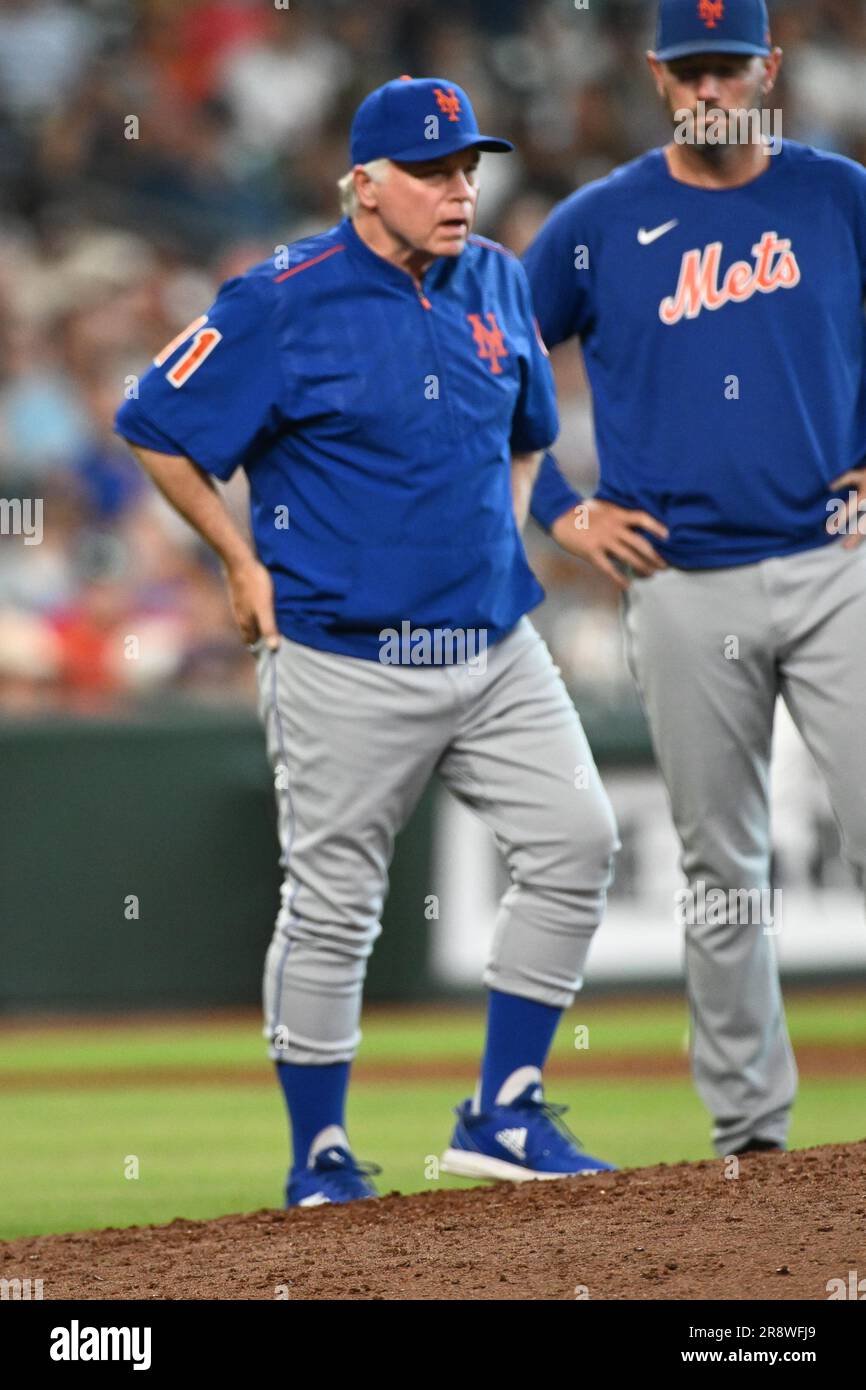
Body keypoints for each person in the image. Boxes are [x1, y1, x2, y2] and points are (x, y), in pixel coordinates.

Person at [114, 77, 620, 1206]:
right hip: (341, 653)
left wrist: (503, 535)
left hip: (493, 649)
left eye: (467, 168)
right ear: (364, 183)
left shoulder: (493, 279)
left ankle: (503, 1109)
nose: (458, 190)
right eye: (432, 171)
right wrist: (239, 561)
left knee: (578, 841)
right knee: (334, 904)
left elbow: (528, 435)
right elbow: (152, 419)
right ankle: (321, 1157)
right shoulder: (282, 296)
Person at [525, 0, 866, 1158]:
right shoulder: (595, 225)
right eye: (689, 72)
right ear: (656, 78)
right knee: (721, 865)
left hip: (836, 564)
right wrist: (559, 512)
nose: (709, 90)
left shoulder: (835, 196)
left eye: (728, 67)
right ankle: (750, 1139)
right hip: (681, 583)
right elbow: (478, 373)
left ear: (768, 67)